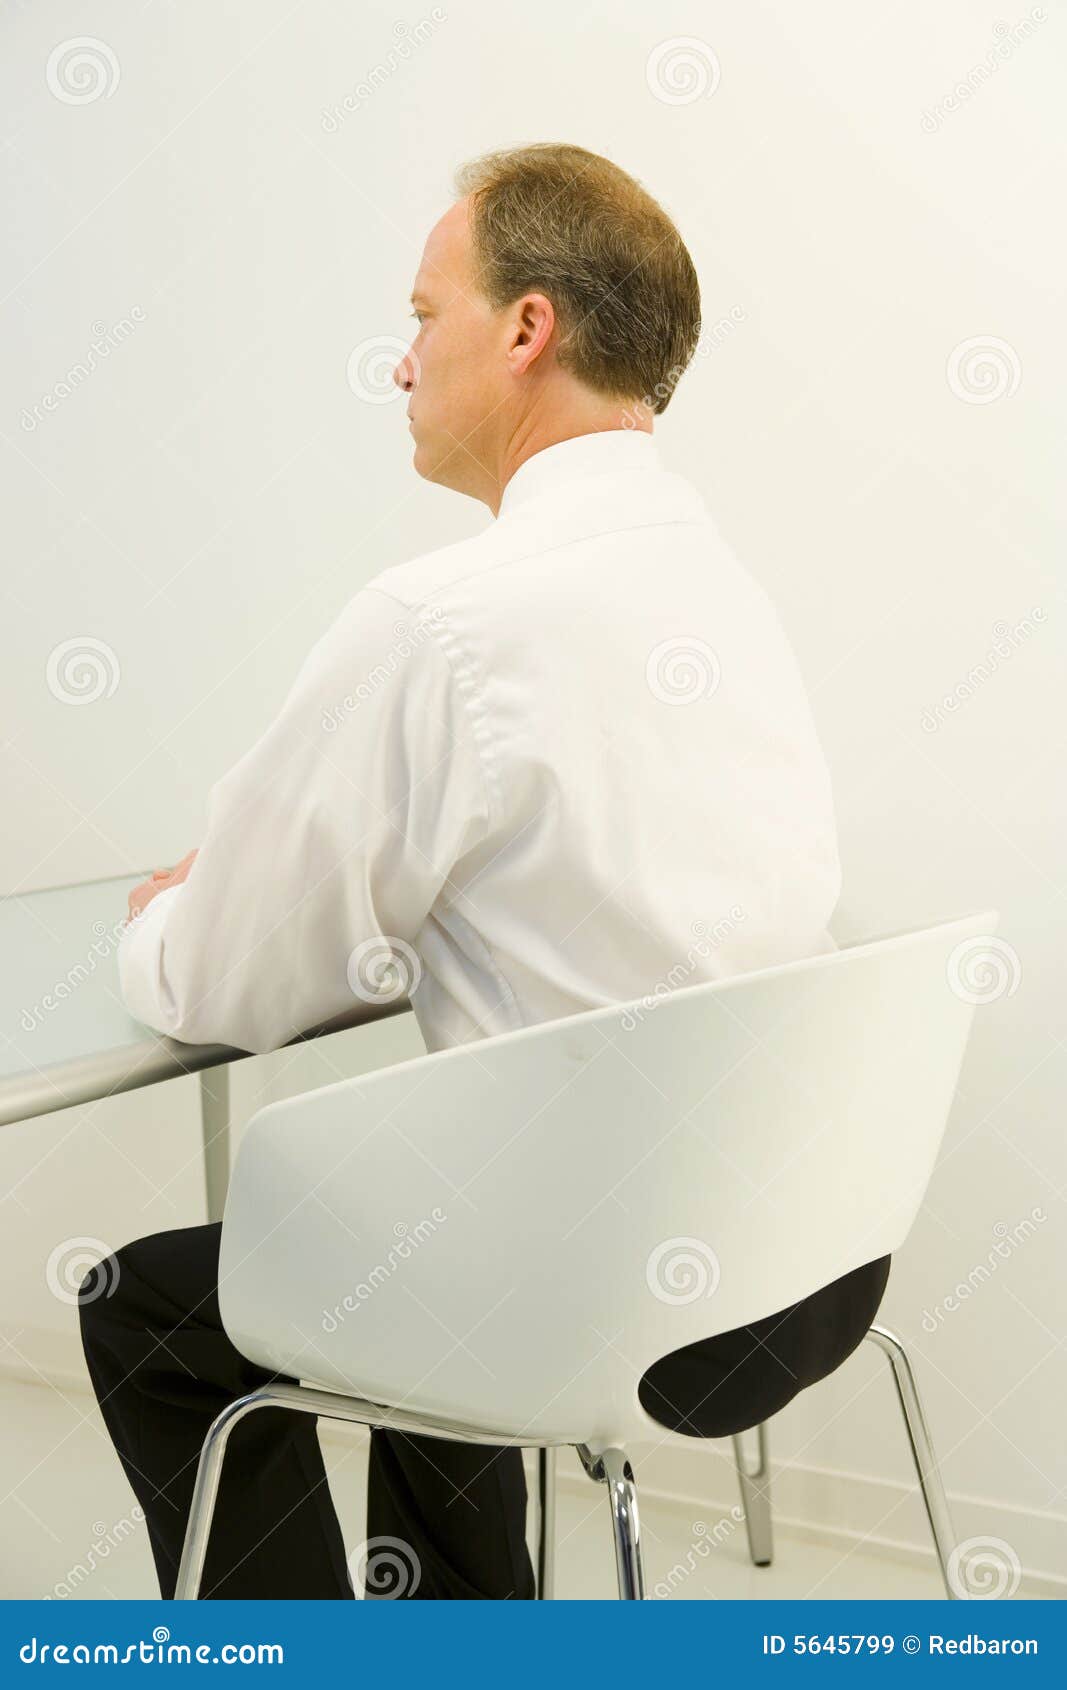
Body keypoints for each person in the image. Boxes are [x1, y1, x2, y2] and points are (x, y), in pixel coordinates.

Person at [79, 142, 889, 1600]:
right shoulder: (722, 587)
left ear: (526, 329)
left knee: (148, 1302)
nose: (400, 364)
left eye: (421, 313)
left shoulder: (441, 621)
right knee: (443, 1207)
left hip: (592, 1304)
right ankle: (465, 1626)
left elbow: (226, 985)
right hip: (803, 1264)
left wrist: (179, 909)